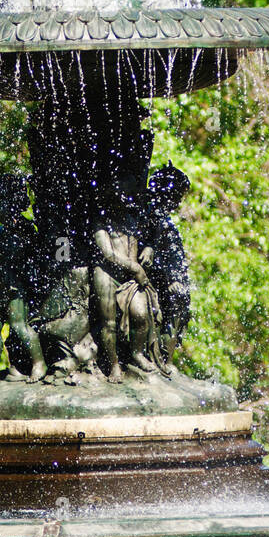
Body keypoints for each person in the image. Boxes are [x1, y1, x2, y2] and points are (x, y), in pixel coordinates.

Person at [0, 173, 47, 385]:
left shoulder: (24, 229)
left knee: (19, 325)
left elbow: (32, 263)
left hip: (15, 287)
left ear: (11, 204)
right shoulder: (3, 230)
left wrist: (20, 283)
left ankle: (39, 364)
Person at [90, 174, 167, 380]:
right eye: (119, 195)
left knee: (142, 315)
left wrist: (149, 248)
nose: (124, 199)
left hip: (131, 277)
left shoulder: (134, 218)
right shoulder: (101, 221)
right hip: (107, 274)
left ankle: (137, 354)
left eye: (127, 195)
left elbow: (154, 232)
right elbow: (108, 253)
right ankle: (114, 364)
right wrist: (135, 267)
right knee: (109, 324)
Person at [139, 162, 192, 364]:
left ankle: (166, 359)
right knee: (172, 313)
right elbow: (156, 253)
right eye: (178, 194)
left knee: (178, 312)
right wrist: (171, 279)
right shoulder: (154, 215)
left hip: (172, 279)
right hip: (163, 282)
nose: (179, 201)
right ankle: (162, 359)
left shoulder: (160, 215)